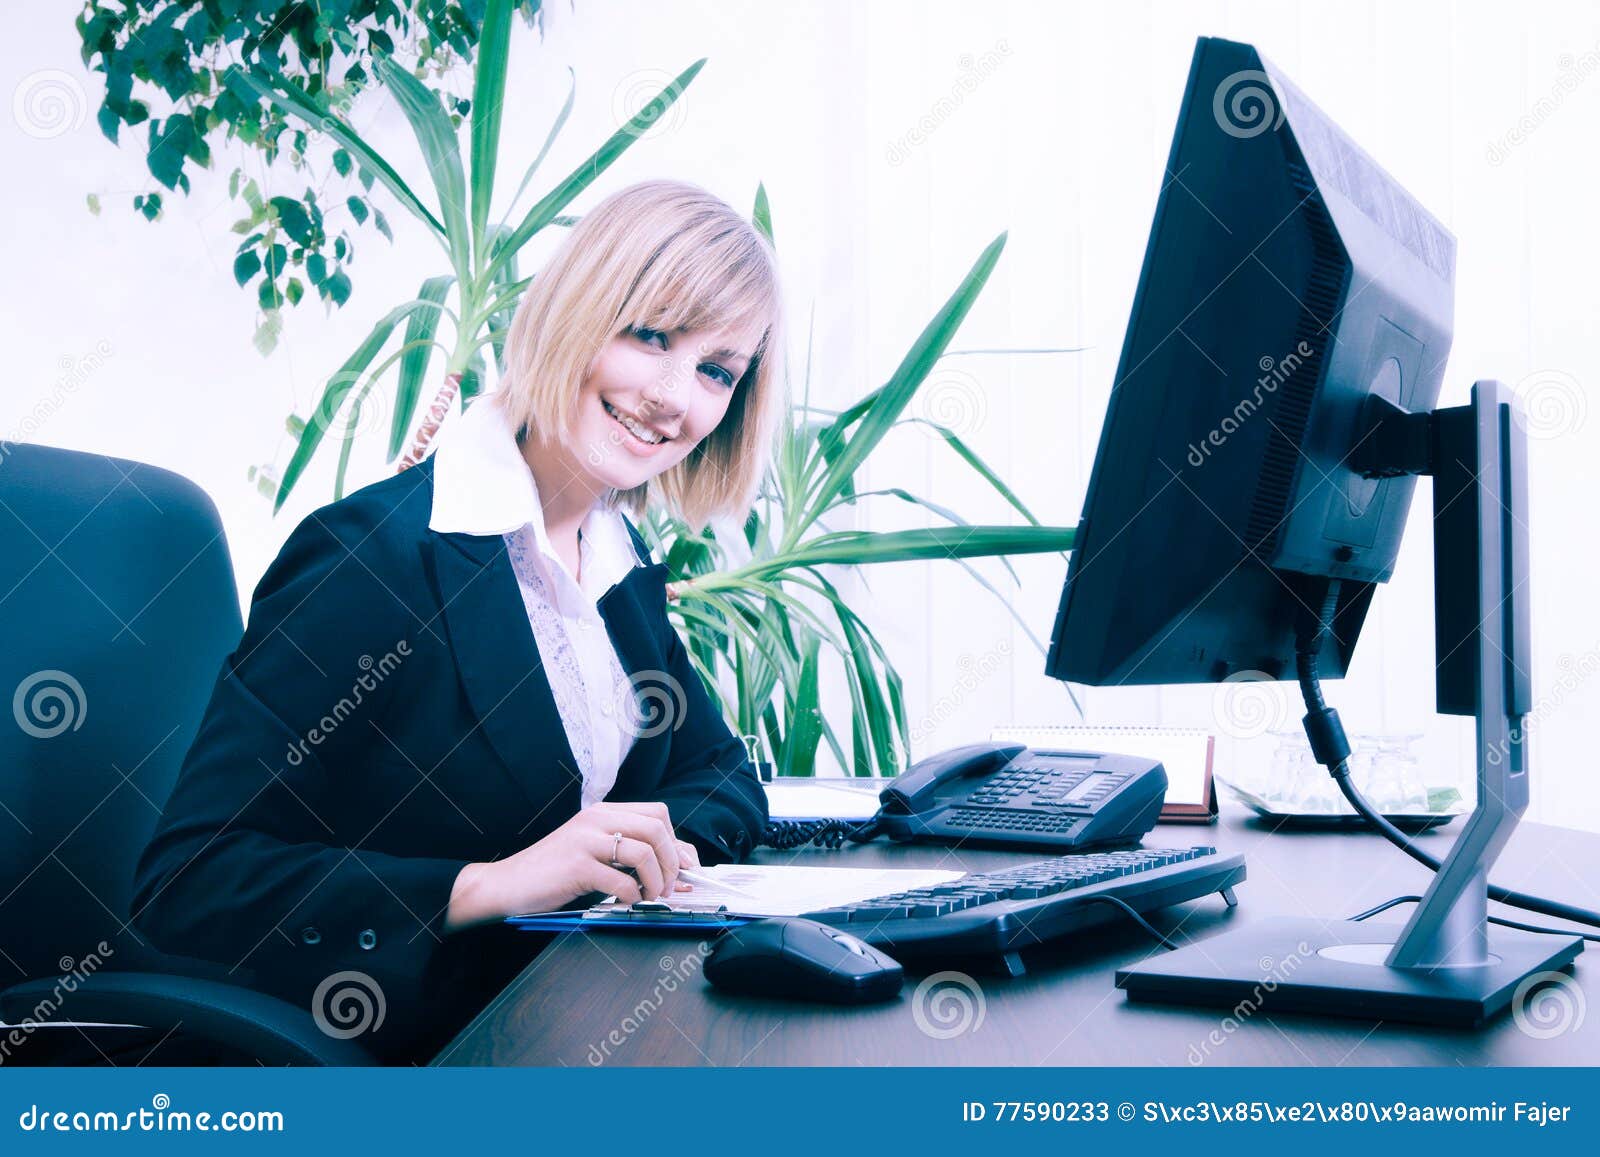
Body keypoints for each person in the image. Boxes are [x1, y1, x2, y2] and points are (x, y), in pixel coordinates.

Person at [131, 179, 786, 1064]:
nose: (675, 397)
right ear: (579, 311)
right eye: (650, 335)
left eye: (716, 371)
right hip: (431, 1047)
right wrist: (487, 885)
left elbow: (721, 773)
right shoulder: (375, 558)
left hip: (588, 1018)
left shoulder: (615, 563)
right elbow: (189, 879)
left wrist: (642, 855)